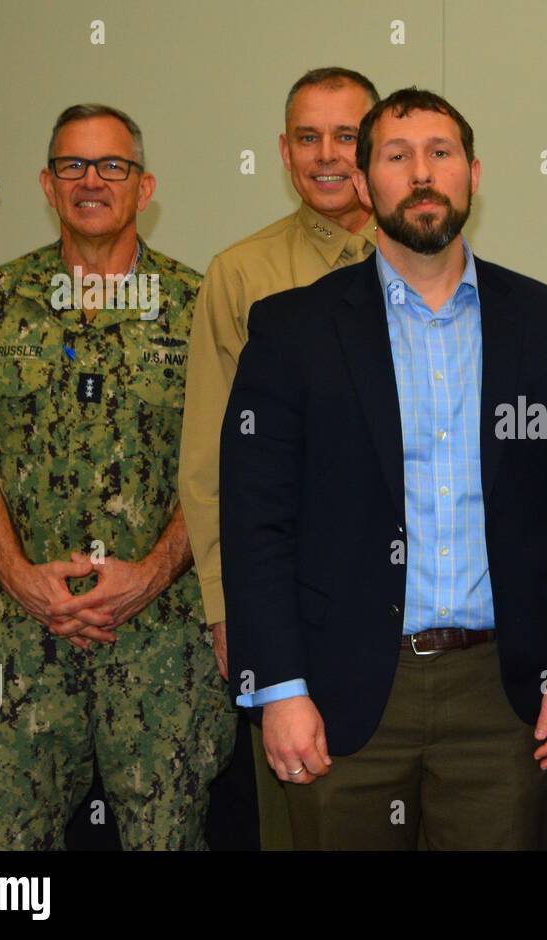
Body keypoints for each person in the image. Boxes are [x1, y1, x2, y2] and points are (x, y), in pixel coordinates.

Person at [219, 87, 547, 849]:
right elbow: (255, 520)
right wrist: (280, 689)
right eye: (397, 157)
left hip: (506, 699)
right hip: (340, 697)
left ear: (473, 173)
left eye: (441, 154)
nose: (422, 172)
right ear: (364, 185)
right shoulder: (293, 330)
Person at [0, 104, 233, 849]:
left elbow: (227, 460)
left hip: (165, 643)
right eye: (73, 165)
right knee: (14, 857)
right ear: (47, 182)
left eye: (112, 166)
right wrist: (20, 576)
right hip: (22, 636)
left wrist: (154, 573)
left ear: (144, 185)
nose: (92, 180)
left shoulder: (201, 310)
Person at [179, 65, 379, 851]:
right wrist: (229, 608)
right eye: (308, 136)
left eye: (347, 136)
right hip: (296, 609)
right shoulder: (243, 275)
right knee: (306, 823)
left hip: (427, 621)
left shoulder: (434, 262)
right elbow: (207, 462)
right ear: (284, 151)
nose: (327, 154)